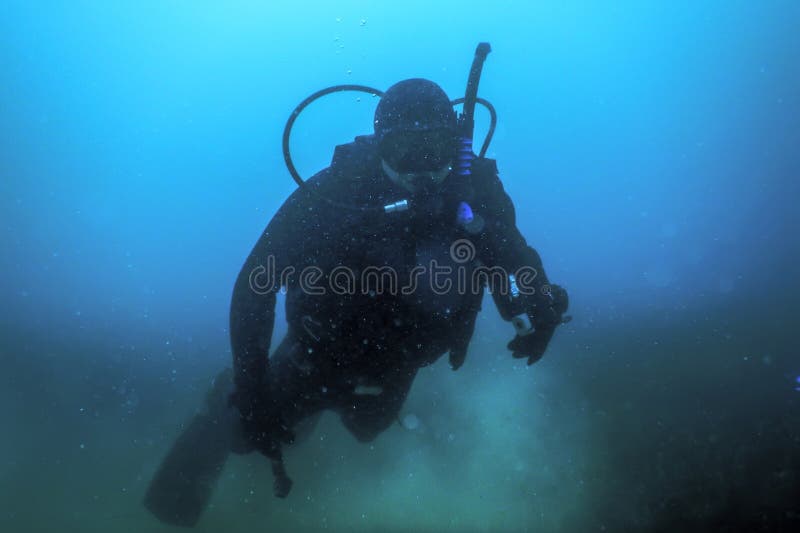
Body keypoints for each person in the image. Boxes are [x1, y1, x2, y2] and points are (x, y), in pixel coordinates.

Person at [228, 78, 569, 495]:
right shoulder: (335, 192)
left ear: (454, 145)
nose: (423, 169)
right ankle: (224, 410)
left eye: (436, 149)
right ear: (379, 148)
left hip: (401, 362)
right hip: (315, 354)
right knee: (244, 435)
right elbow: (254, 284)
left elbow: (509, 250)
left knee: (366, 430)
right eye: (404, 151)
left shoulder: (475, 189)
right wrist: (250, 386)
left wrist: (541, 301)